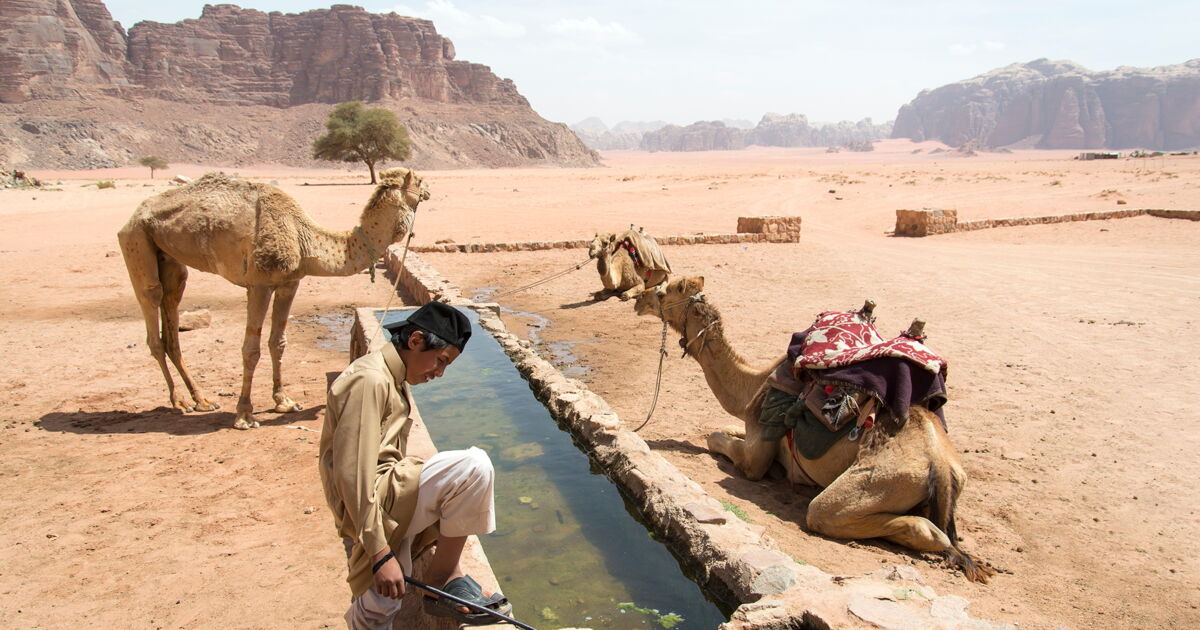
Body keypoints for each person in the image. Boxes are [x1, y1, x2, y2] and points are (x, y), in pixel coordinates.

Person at [319, 301, 510, 629]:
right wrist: (378, 553)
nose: (439, 373)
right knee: (473, 467)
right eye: (441, 361)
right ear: (416, 340)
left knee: (384, 599)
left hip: (387, 493)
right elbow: (353, 474)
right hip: (376, 497)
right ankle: (443, 577)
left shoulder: (391, 377)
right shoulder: (370, 380)